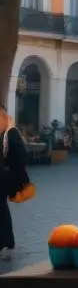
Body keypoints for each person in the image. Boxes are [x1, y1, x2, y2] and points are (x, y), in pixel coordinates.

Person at [0, 103, 31, 260]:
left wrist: (12, 174)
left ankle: (5, 240)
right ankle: (7, 240)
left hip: (7, 176)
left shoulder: (10, 134)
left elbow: (21, 156)